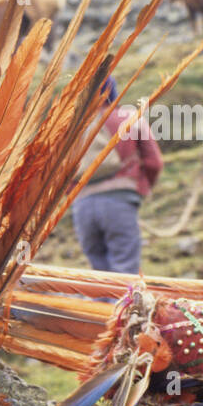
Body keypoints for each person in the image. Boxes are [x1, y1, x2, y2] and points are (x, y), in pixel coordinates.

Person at [71, 76, 163, 275]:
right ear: (112, 91)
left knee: (100, 275)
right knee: (125, 271)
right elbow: (154, 162)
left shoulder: (73, 129)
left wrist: (76, 195)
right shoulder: (129, 118)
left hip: (82, 207)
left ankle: (102, 297)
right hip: (120, 201)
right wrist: (140, 189)